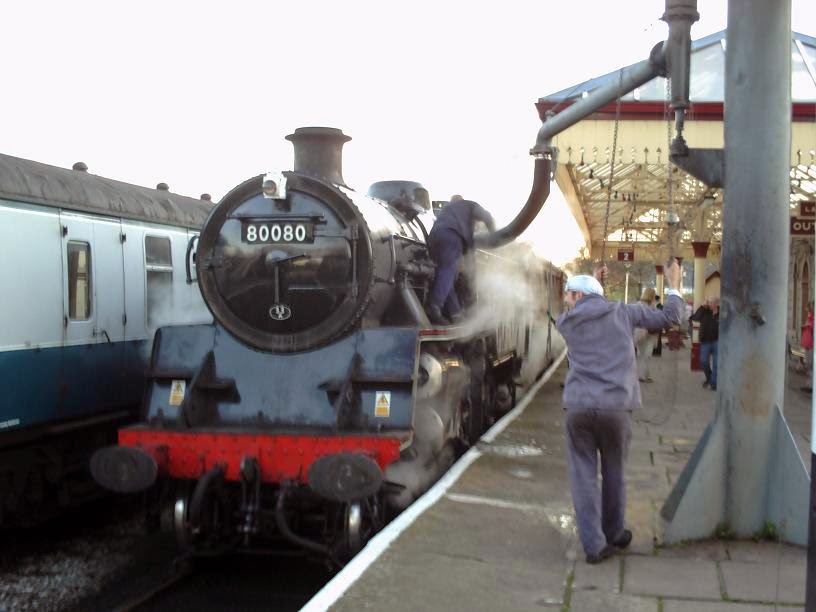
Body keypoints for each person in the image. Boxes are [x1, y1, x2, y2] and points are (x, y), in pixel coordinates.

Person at [556, 259, 682, 564]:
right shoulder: (624, 312)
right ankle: (613, 532)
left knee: (583, 475)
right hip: (616, 406)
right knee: (614, 471)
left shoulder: (566, 322)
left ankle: (594, 544)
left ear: (579, 298)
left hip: (579, 407)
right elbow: (670, 317)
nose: (567, 300)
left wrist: (593, 284)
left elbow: (582, 306)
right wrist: (675, 285)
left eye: (570, 295)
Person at [426, 194, 495, 325]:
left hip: (433, 237)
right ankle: (434, 305)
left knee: (445, 276)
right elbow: (487, 216)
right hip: (451, 236)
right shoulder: (470, 205)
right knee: (449, 270)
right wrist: (494, 234)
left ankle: (455, 314)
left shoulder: (446, 210)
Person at [690, 297, 720, 391]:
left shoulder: (721, 313)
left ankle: (714, 383)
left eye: (712, 303)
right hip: (705, 341)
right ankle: (710, 378)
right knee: (703, 361)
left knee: (716, 364)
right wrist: (702, 307)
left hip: (718, 341)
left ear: (717, 303)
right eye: (709, 302)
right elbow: (695, 318)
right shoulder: (704, 312)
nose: (710, 304)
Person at [634, 288, 658, 382]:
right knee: (645, 355)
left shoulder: (652, 305)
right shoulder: (640, 305)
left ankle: (644, 375)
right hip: (643, 332)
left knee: (646, 355)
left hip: (647, 333)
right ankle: (643, 375)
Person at [801, 302, 814, 393]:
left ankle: (810, 385)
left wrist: (808, 326)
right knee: (807, 365)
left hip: (811, 345)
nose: (808, 310)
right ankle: (808, 384)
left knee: (810, 364)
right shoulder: (810, 318)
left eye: (810, 308)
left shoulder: (813, 319)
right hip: (807, 344)